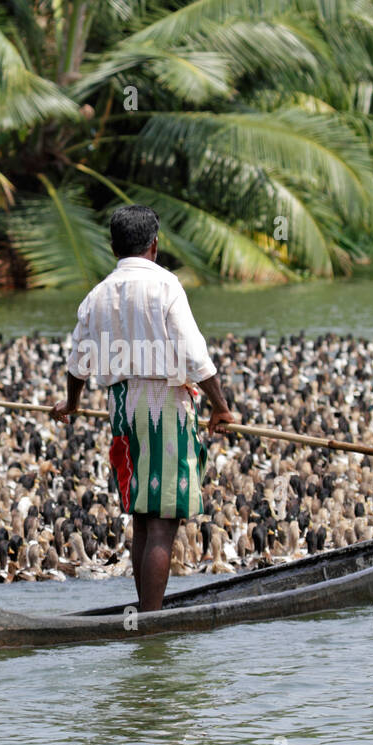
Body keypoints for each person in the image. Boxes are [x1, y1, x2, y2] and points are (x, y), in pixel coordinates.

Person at [50, 204, 236, 611]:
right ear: (155, 245)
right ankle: (151, 623)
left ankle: (144, 615)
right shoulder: (165, 286)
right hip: (164, 405)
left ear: (113, 246)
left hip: (122, 407)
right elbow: (194, 353)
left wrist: (73, 403)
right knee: (162, 523)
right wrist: (220, 407)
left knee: (142, 516)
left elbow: (78, 362)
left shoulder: (96, 295)